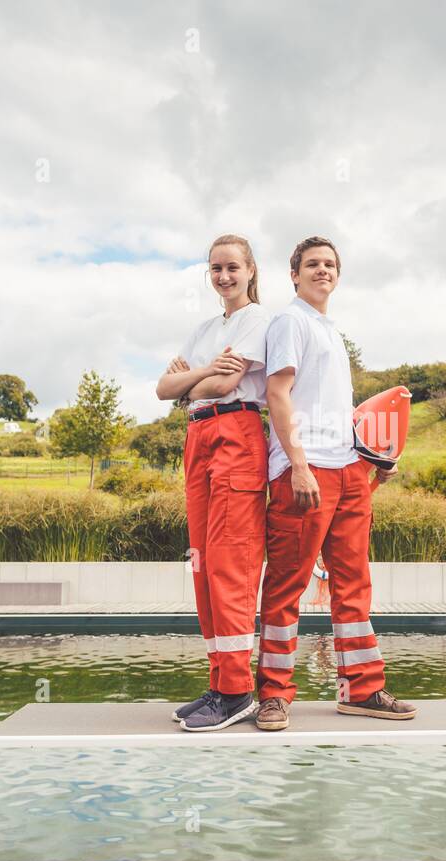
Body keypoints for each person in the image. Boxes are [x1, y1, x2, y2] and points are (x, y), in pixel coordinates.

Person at [255, 236, 417, 731]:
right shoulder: (290, 321)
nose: (322, 270)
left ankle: (362, 690)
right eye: (312, 264)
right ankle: (274, 695)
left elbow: (336, 410)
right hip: (305, 471)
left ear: (338, 275)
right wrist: (298, 464)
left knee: (353, 586)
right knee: (287, 584)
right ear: (295, 275)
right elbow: (276, 393)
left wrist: (374, 458)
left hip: (349, 470)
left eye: (330, 264)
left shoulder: (330, 331)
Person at [155, 234, 270, 731]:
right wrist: (201, 373)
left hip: (236, 431)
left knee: (231, 558)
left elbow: (225, 386)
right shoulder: (205, 330)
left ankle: (239, 690)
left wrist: (190, 384)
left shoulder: (259, 319)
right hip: (198, 435)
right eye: (215, 269)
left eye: (232, 268)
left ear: (249, 270)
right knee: (203, 559)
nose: (224, 277)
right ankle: (220, 682)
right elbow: (163, 389)